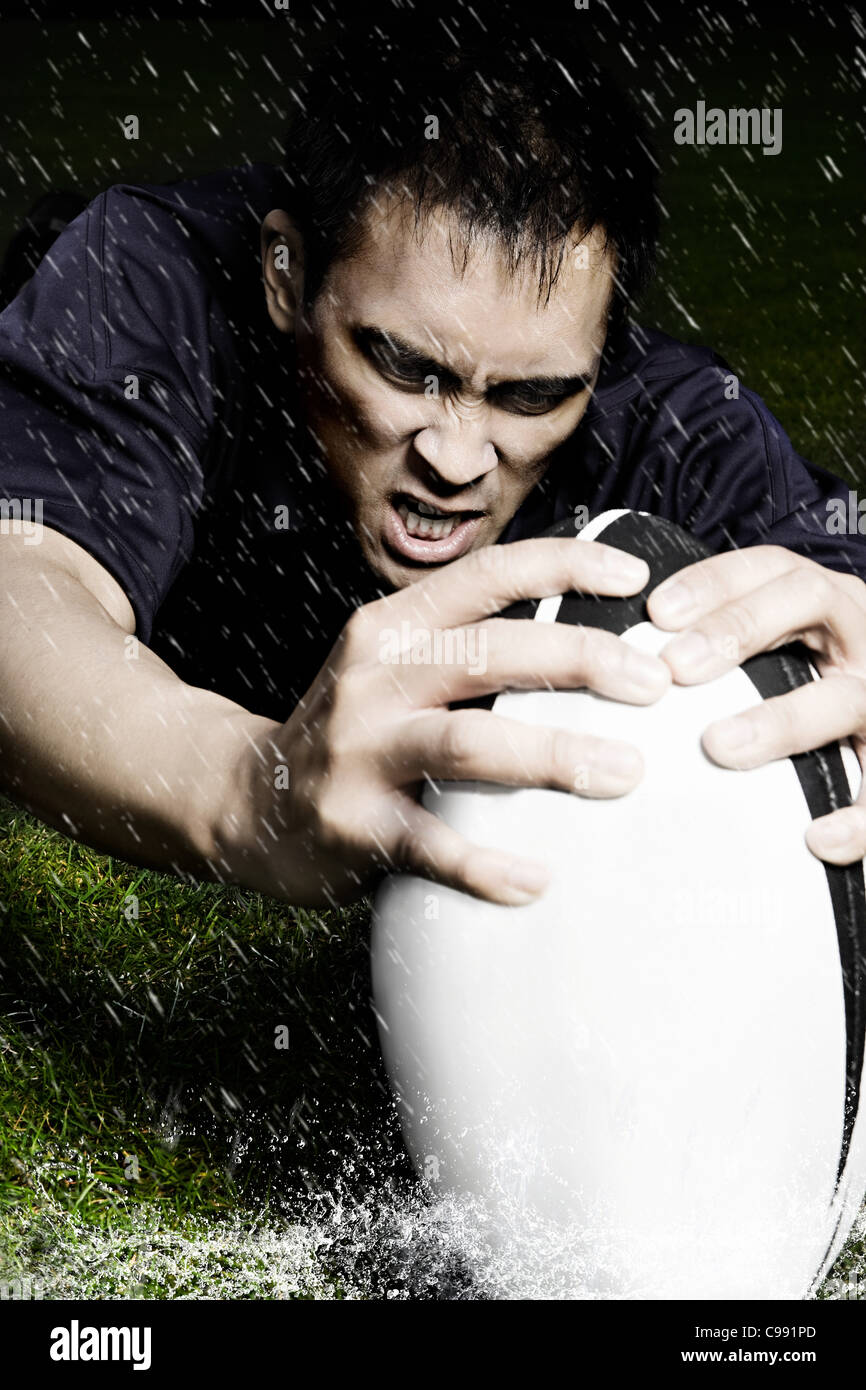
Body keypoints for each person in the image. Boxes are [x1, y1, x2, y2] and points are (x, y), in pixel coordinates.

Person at [1, 8, 865, 910]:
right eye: (404, 366)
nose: (455, 459)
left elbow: (836, 593)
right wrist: (244, 789)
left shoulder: (669, 419)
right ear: (288, 274)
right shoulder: (145, 281)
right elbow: (18, 586)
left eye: (530, 395)